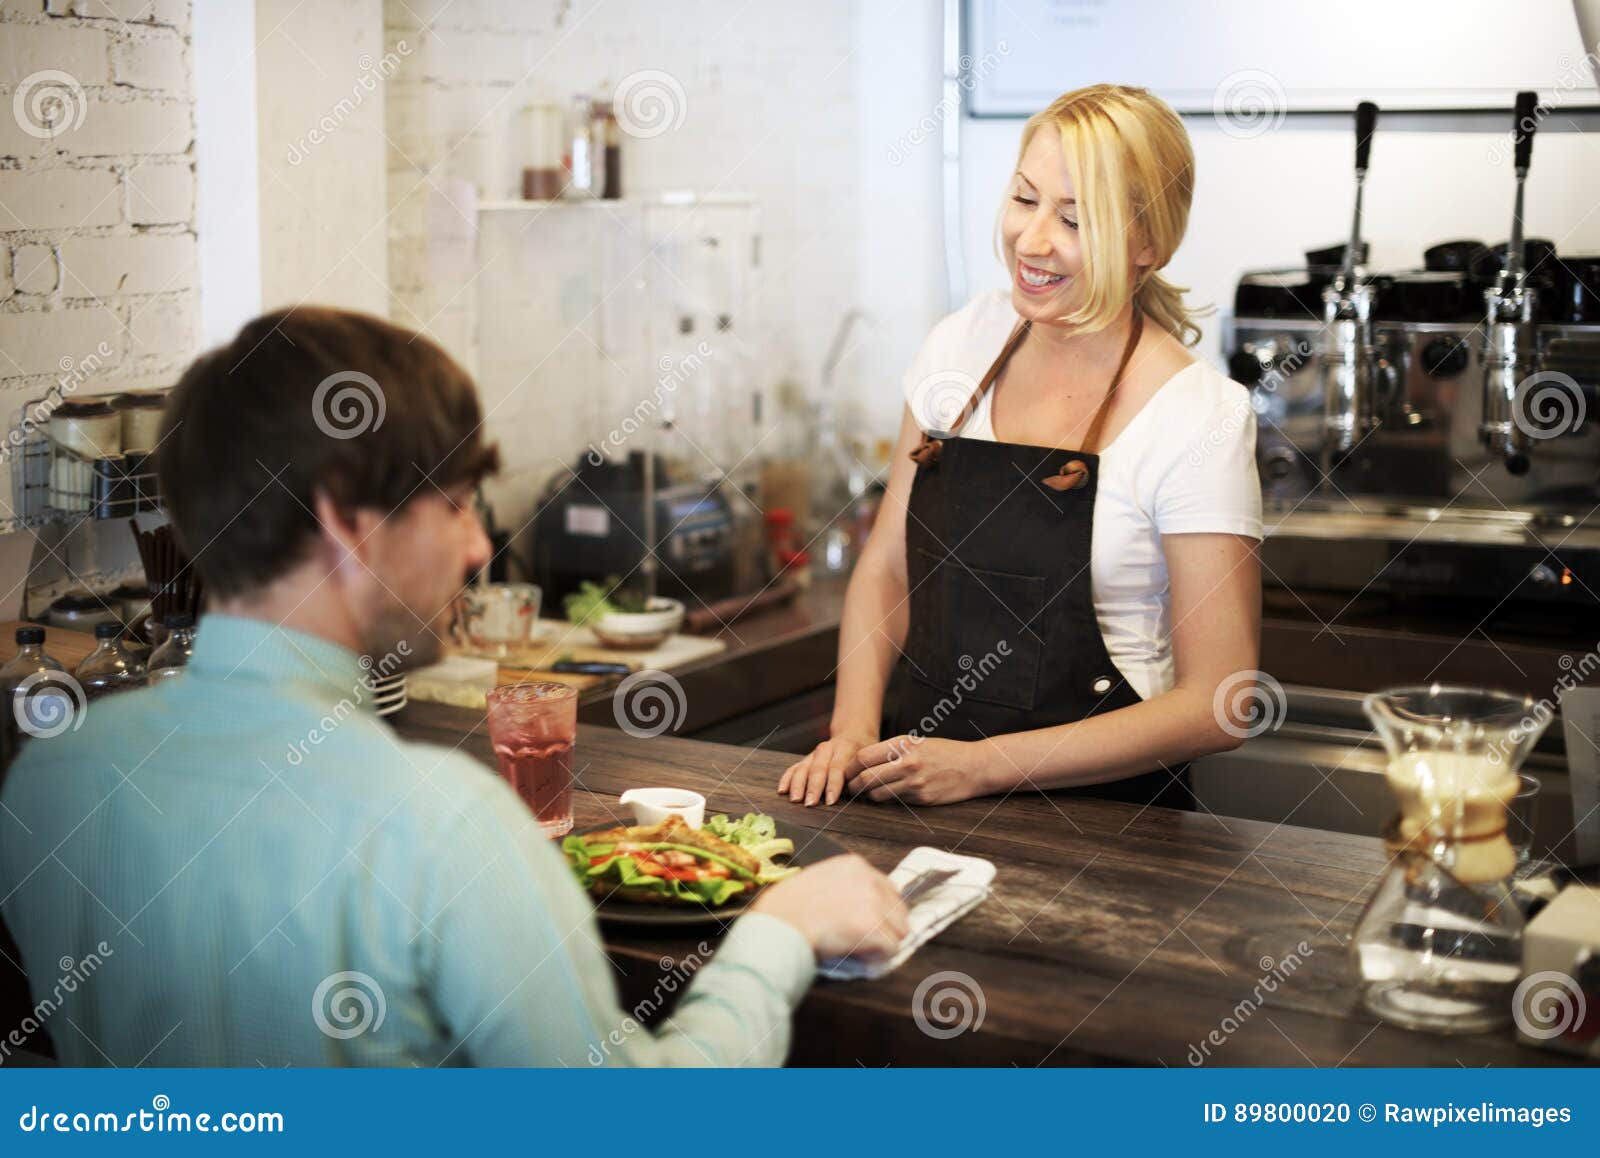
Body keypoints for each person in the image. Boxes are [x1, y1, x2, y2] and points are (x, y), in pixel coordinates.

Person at [0, 307, 907, 1066]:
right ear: (350, 524)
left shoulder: (55, 780)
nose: (479, 547)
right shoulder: (442, 823)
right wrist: (779, 935)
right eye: (459, 501)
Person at [780, 85, 1263, 811]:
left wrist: (983, 767)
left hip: (1112, 827)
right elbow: (886, 566)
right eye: (1023, 199)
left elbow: (1220, 703)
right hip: (919, 796)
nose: (1033, 241)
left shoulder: (1199, 416)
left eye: (1075, 218)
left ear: (1149, 245)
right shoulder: (959, 346)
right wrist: (852, 730)